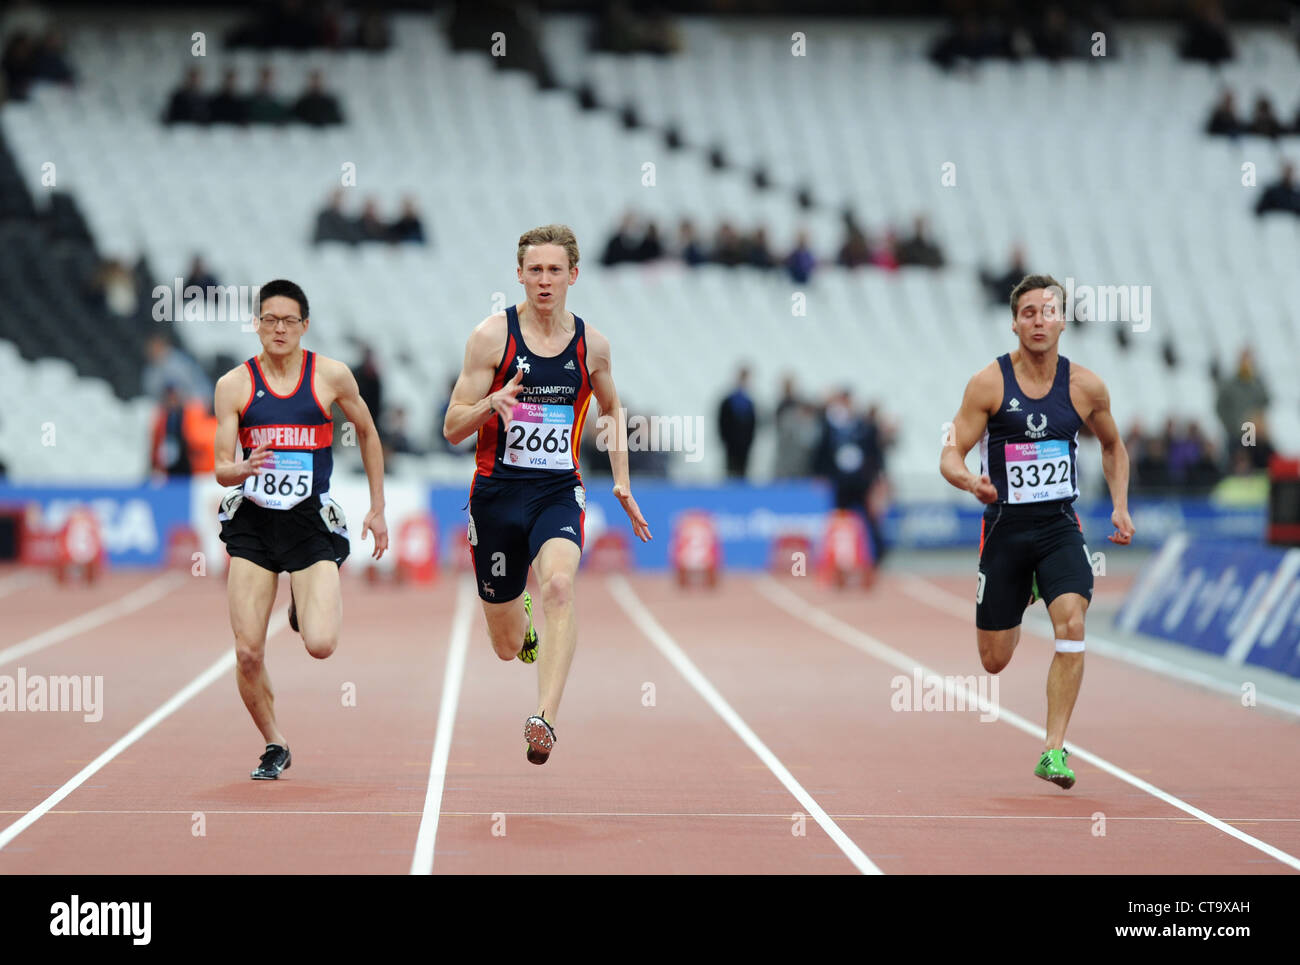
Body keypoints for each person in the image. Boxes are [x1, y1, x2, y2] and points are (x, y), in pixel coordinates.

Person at [442, 224, 651, 765]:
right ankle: (522, 620)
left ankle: (545, 719)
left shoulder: (593, 346)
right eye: (534, 269)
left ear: (573, 276)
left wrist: (621, 479)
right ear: (519, 275)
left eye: (554, 270)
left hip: (557, 490)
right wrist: (493, 404)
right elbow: (451, 427)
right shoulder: (491, 338)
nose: (544, 279)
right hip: (495, 495)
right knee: (507, 645)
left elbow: (612, 408)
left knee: (560, 583)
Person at [940, 274, 1134, 790]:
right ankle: (1024, 588)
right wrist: (969, 481)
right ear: (1015, 322)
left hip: (1058, 527)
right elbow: (949, 454)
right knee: (993, 661)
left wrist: (1119, 506)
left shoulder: (1086, 387)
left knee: (1071, 623)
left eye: (1048, 311)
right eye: (1029, 313)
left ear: (1062, 320)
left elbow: (1113, 447)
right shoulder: (988, 384)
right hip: (1004, 529)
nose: (1039, 320)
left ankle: (1053, 750)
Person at [213, 279, 388, 779]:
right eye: (269, 319)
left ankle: (301, 602)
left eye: (289, 320)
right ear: (257, 323)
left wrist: (377, 508)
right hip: (253, 522)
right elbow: (221, 466)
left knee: (321, 644)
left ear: (304, 325)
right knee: (248, 652)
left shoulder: (331, 376)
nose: (279, 328)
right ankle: (274, 743)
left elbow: (370, 433)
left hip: (309, 522)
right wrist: (242, 469)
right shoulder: (235, 385)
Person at [717, 367, 757, 479]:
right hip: (731, 445)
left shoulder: (749, 402)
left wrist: (749, 441)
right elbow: (722, 423)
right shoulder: (728, 401)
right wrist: (725, 440)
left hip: (745, 446)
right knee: (731, 472)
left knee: (743, 472)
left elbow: (753, 425)